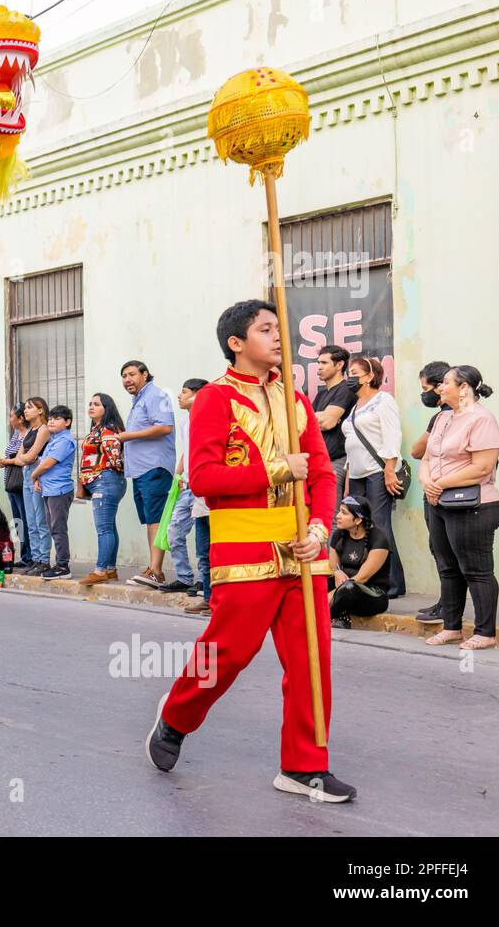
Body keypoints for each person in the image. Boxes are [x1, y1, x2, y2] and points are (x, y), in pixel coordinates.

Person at [145, 300, 355, 803]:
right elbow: (204, 480)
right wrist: (279, 469)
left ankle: (304, 767)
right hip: (244, 548)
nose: (278, 337)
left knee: (312, 659)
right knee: (228, 654)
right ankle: (176, 716)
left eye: (279, 328)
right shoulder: (215, 400)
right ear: (237, 343)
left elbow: (323, 475)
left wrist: (322, 528)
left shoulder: (296, 401)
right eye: (266, 329)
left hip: (304, 551)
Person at [420, 366, 499, 651]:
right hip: (439, 501)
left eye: (444, 383)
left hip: (474, 504)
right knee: (448, 568)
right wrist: (427, 481)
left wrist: (439, 483)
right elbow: (427, 457)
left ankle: (485, 632)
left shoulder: (482, 419)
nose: (439, 388)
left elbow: (482, 467)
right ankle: (452, 627)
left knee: (476, 570)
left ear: (464, 387)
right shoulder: (443, 417)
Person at [340, 356, 405, 598]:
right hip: (355, 475)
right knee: (361, 528)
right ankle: (370, 578)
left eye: (355, 372)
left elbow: (392, 436)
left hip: (377, 473)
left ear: (369, 376)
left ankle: (392, 583)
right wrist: (347, 481)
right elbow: (350, 446)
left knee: (380, 526)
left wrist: (390, 470)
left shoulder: (383, 400)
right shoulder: (355, 407)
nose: (350, 377)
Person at [117, 360, 177, 588]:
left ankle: (156, 570)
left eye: (132, 374)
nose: (127, 380)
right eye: (124, 376)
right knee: (150, 520)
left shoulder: (155, 395)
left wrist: (128, 436)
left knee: (155, 520)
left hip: (154, 467)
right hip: (141, 470)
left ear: (145, 375)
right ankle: (153, 569)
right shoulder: (139, 400)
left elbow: (165, 427)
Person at [157, 379, 209, 595]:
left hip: (201, 486)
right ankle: (185, 577)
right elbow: (187, 451)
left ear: (197, 395)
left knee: (204, 538)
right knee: (174, 532)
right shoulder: (185, 421)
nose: (179, 396)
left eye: (184, 392)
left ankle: (204, 581)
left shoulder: (205, 418)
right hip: (186, 485)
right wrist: (178, 475)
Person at [410, 361, 451, 625]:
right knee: (443, 551)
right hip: (440, 488)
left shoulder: (443, 416)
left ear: (439, 387)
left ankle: (448, 607)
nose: (424, 394)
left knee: (444, 552)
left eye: (425, 388)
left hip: (441, 491)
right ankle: (446, 603)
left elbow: (416, 451)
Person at [77, 393, 126, 587]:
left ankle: (100, 570)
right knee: (109, 526)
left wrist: (96, 474)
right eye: (90, 404)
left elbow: (115, 459)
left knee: (104, 528)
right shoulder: (97, 429)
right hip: (102, 481)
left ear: (107, 407)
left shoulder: (108, 430)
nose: (91, 407)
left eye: (96, 404)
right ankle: (110, 569)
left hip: (105, 481)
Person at [328, 495, 390, 628]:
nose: (338, 516)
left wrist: (329, 597)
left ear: (357, 520)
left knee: (349, 588)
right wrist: (337, 572)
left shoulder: (379, 539)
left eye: (343, 513)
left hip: (371, 594)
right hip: (343, 587)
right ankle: (340, 615)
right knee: (315, 580)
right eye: (339, 511)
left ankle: (319, 618)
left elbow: (362, 578)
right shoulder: (339, 534)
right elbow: (333, 564)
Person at [312, 344, 356, 524]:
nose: (319, 367)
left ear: (339, 365)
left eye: (324, 362)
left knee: (334, 517)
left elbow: (328, 422)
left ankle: (332, 554)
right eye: (318, 363)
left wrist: (325, 418)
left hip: (337, 461)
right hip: (319, 462)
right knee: (320, 515)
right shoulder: (320, 395)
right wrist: (320, 418)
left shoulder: (346, 389)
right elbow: (305, 424)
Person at [30, 405, 76, 578]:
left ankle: (63, 566)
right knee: (53, 527)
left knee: (58, 528)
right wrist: (38, 480)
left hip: (59, 491)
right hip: (49, 490)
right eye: (50, 418)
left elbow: (48, 463)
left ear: (67, 422)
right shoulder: (54, 439)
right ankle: (60, 564)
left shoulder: (65, 440)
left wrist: (34, 476)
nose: (51, 421)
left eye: (57, 418)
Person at [10, 396, 51, 574]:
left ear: (40, 410)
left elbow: (31, 455)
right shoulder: (29, 430)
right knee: (31, 521)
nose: (25, 410)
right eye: (25, 408)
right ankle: (35, 558)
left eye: (29, 407)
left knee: (41, 519)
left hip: (37, 475)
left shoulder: (43, 429)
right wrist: (24, 458)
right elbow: (21, 458)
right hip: (27, 474)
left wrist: (24, 458)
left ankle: (44, 559)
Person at [0, 403, 30, 566]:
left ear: (20, 419)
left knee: (27, 520)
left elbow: (23, 458)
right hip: (11, 484)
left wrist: (7, 461)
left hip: (21, 484)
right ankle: (24, 554)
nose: (10, 419)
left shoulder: (28, 435)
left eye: (12, 416)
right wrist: (3, 461)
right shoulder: (16, 434)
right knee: (18, 521)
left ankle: (30, 555)